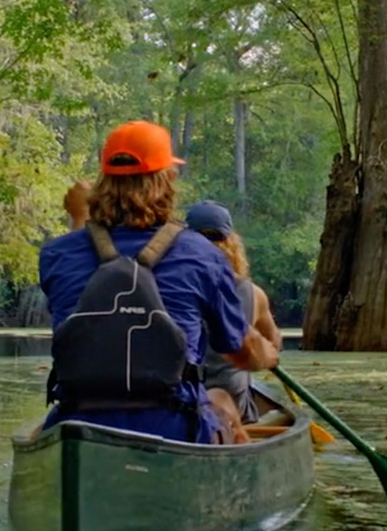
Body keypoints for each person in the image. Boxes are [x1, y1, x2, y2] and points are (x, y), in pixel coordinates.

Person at [39, 120, 280, 444]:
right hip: (174, 425)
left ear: (103, 182)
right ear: (167, 179)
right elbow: (240, 354)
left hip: (76, 426)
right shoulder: (202, 255)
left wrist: (78, 219)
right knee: (221, 399)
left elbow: (82, 283)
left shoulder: (56, 254)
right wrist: (267, 355)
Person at [186, 201, 283, 443]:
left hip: (183, 402)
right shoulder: (254, 295)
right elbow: (274, 344)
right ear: (232, 243)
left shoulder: (170, 286)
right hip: (233, 404)